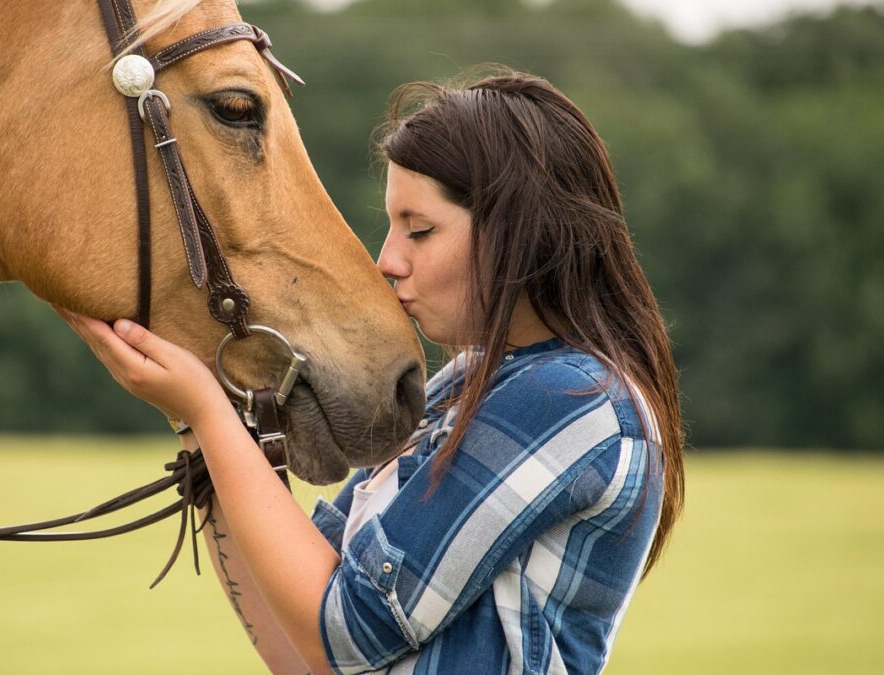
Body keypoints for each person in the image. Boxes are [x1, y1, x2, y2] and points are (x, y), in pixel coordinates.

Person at [57, 70, 684, 675]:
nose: (388, 260)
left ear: (522, 232)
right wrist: (193, 419)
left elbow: (342, 635)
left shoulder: (569, 399)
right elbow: (299, 646)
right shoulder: (469, 387)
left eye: (420, 230)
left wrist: (208, 413)